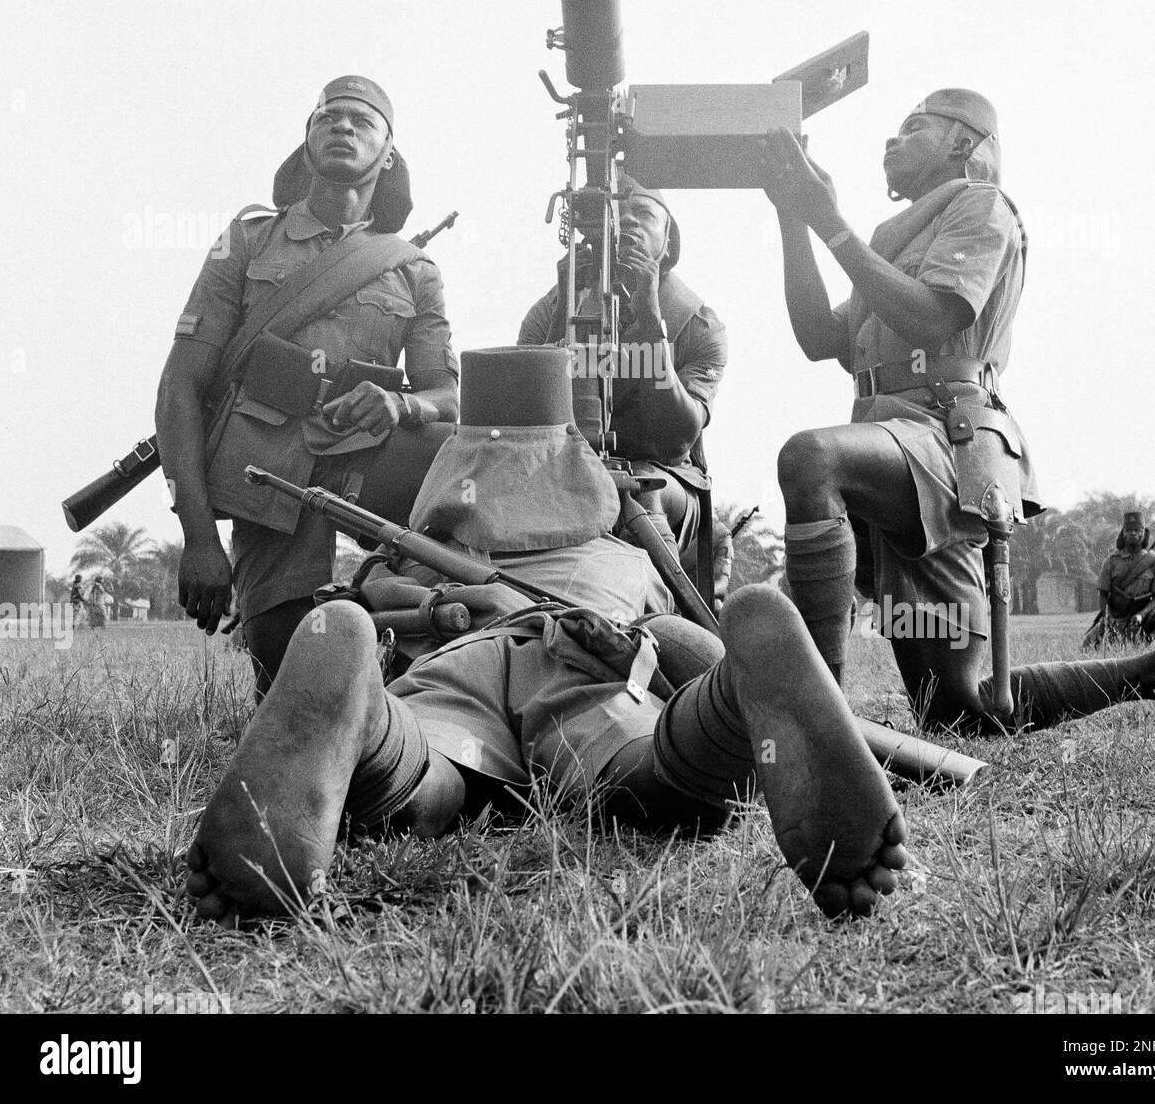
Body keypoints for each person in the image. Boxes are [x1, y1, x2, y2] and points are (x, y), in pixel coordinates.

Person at [184, 347, 908, 927]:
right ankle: (729, 710)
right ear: (577, 467)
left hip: (458, 670)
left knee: (423, 780)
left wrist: (424, 610)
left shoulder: (412, 550)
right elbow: (674, 638)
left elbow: (367, 605)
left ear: (456, 462)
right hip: (589, 663)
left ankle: (362, 725)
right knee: (646, 772)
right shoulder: (623, 557)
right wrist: (700, 666)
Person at [761, 89, 1155, 731]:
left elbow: (935, 316)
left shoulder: (982, 205)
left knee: (811, 458)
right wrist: (792, 218)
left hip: (945, 436)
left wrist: (831, 223)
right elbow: (821, 337)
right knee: (960, 712)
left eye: (914, 127)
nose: (891, 141)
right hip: (893, 446)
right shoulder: (895, 241)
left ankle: (816, 725)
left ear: (962, 144)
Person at [156, 76, 459, 698]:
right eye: (328, 117)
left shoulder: (414, 269)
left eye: (361, 121)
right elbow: (179, 387)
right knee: (290, 668)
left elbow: (446, 397)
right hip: (268, 472)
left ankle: (408, 619)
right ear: (307, 140)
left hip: (368, 457)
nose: (342, 126)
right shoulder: (246, 241)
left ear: (388, 155)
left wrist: (401, 404)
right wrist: (199, 539)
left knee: (463, 468)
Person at [518, 173, 727, 591]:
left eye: (645, 214)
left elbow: (676, 439)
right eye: (619, 212)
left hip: (665, 478)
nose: (629, 221)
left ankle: (671, 609)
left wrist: (651, 321)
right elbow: (524, 419)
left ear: (669, 243)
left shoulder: (696, 323)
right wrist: (564, 315)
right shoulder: (551, 310)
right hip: (567, 467)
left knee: (637, 489)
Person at [1085, 511, 1155, 649]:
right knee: (1086, 647)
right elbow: (1103, 594)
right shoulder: (1111, 561)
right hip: (1116, 617)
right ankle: (1118, 638)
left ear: (1144, 533)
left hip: (1143, 617)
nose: (1133, 533)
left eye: (1137, 530)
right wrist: (1109, 618)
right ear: (1123, 533)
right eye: (1128, 530)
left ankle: (1144, 642)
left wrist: (1141, 614)